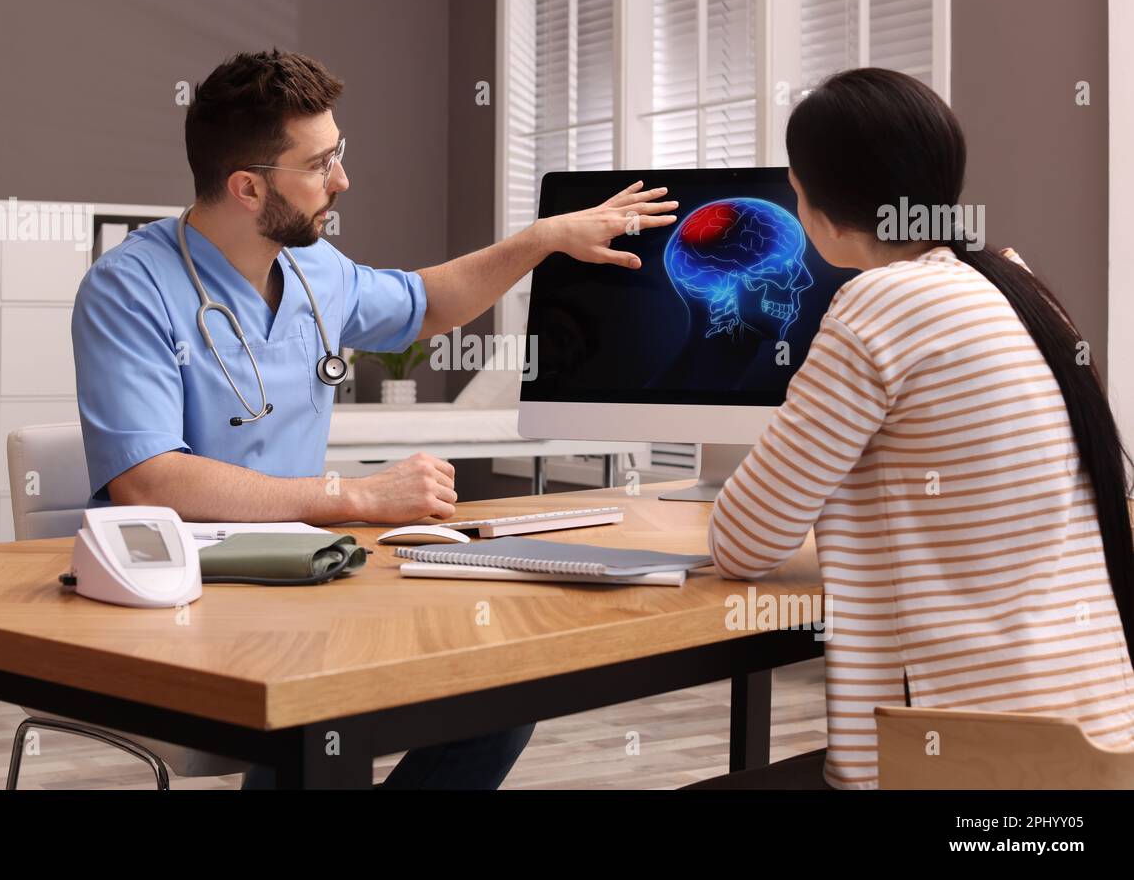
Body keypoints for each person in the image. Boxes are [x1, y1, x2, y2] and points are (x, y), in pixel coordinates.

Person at [69, 49, 677, 789]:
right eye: (321, 163)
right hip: (186, 595)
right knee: (328, 715)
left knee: (500, 691)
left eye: (340, 154)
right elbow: (146, 480)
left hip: (307, 575)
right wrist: (353, 497)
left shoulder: (314, 270)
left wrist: (542, 238)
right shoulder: (128, 288)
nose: (342, 181)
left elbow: (428, 303)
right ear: (248, 188)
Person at [698, 67, 1134, 789]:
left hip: (965, 771)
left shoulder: (881, 304)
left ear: (814, 207)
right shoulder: (1015, 285)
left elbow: (743, 540)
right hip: (1096, 755)